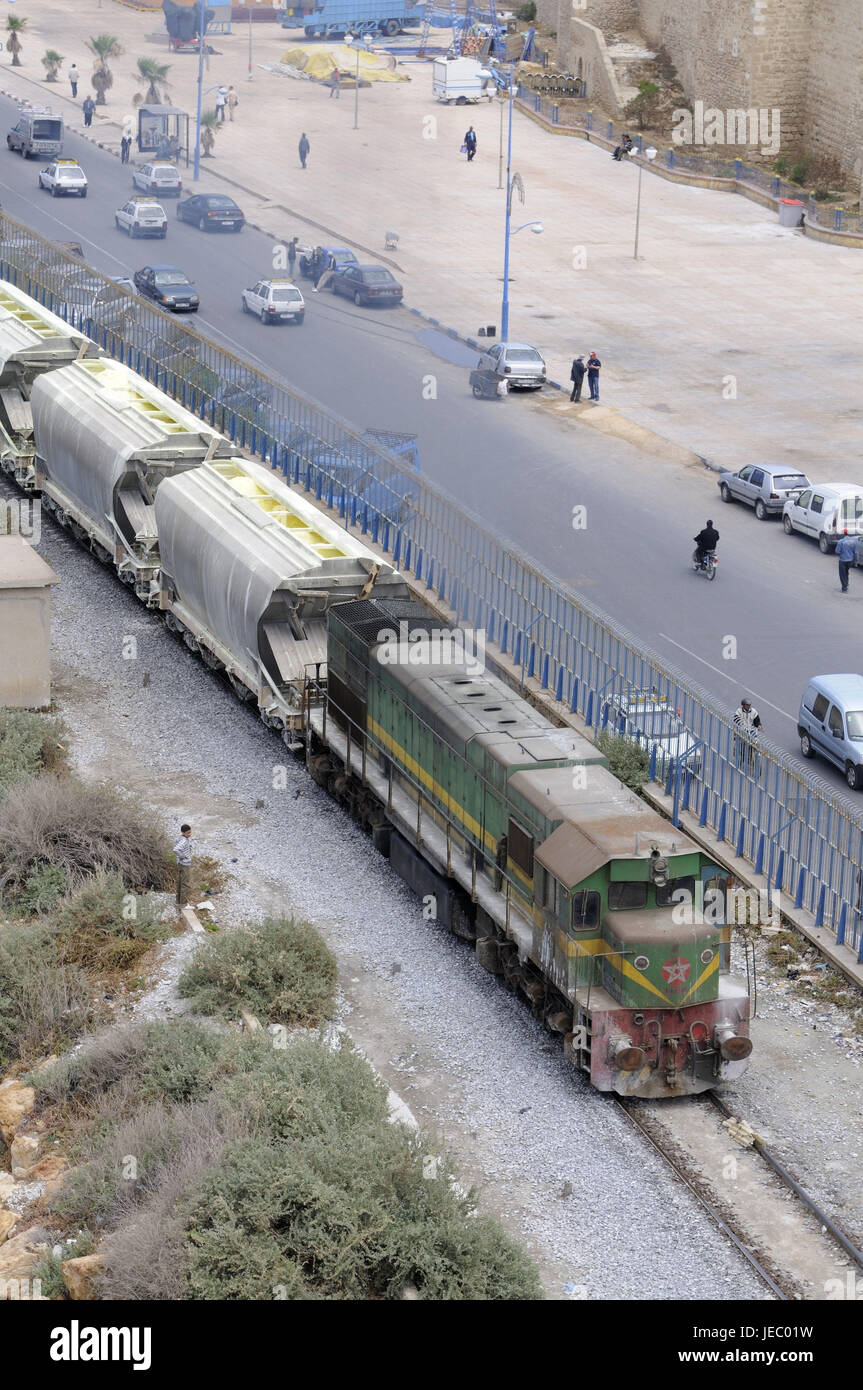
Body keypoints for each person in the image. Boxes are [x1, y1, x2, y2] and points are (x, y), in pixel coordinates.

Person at [733, 698, 763, 773]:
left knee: (756, 743)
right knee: (741, 744)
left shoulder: (754, 712)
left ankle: (754, 757)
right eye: (746, 705)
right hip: (742, 731)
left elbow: (757, 721)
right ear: (743, 705)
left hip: (751, 731)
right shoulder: (738, 711)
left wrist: (759, 725)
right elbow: (736, 719)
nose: (747, 707)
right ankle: (740, 755)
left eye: (748, 705)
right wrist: (740, 725)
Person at [173, 823, 193, 909]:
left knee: (180, 882)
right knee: (185, 884)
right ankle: (183, 904)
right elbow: (175, 849)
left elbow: (176, 844)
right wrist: (182, 856)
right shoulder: (184, 840)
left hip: (180, 863)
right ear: (183, 832)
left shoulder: (180, 838)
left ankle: (178, 902)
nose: (190, 834)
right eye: (188, 833)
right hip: (185, 864)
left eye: (190, 832)